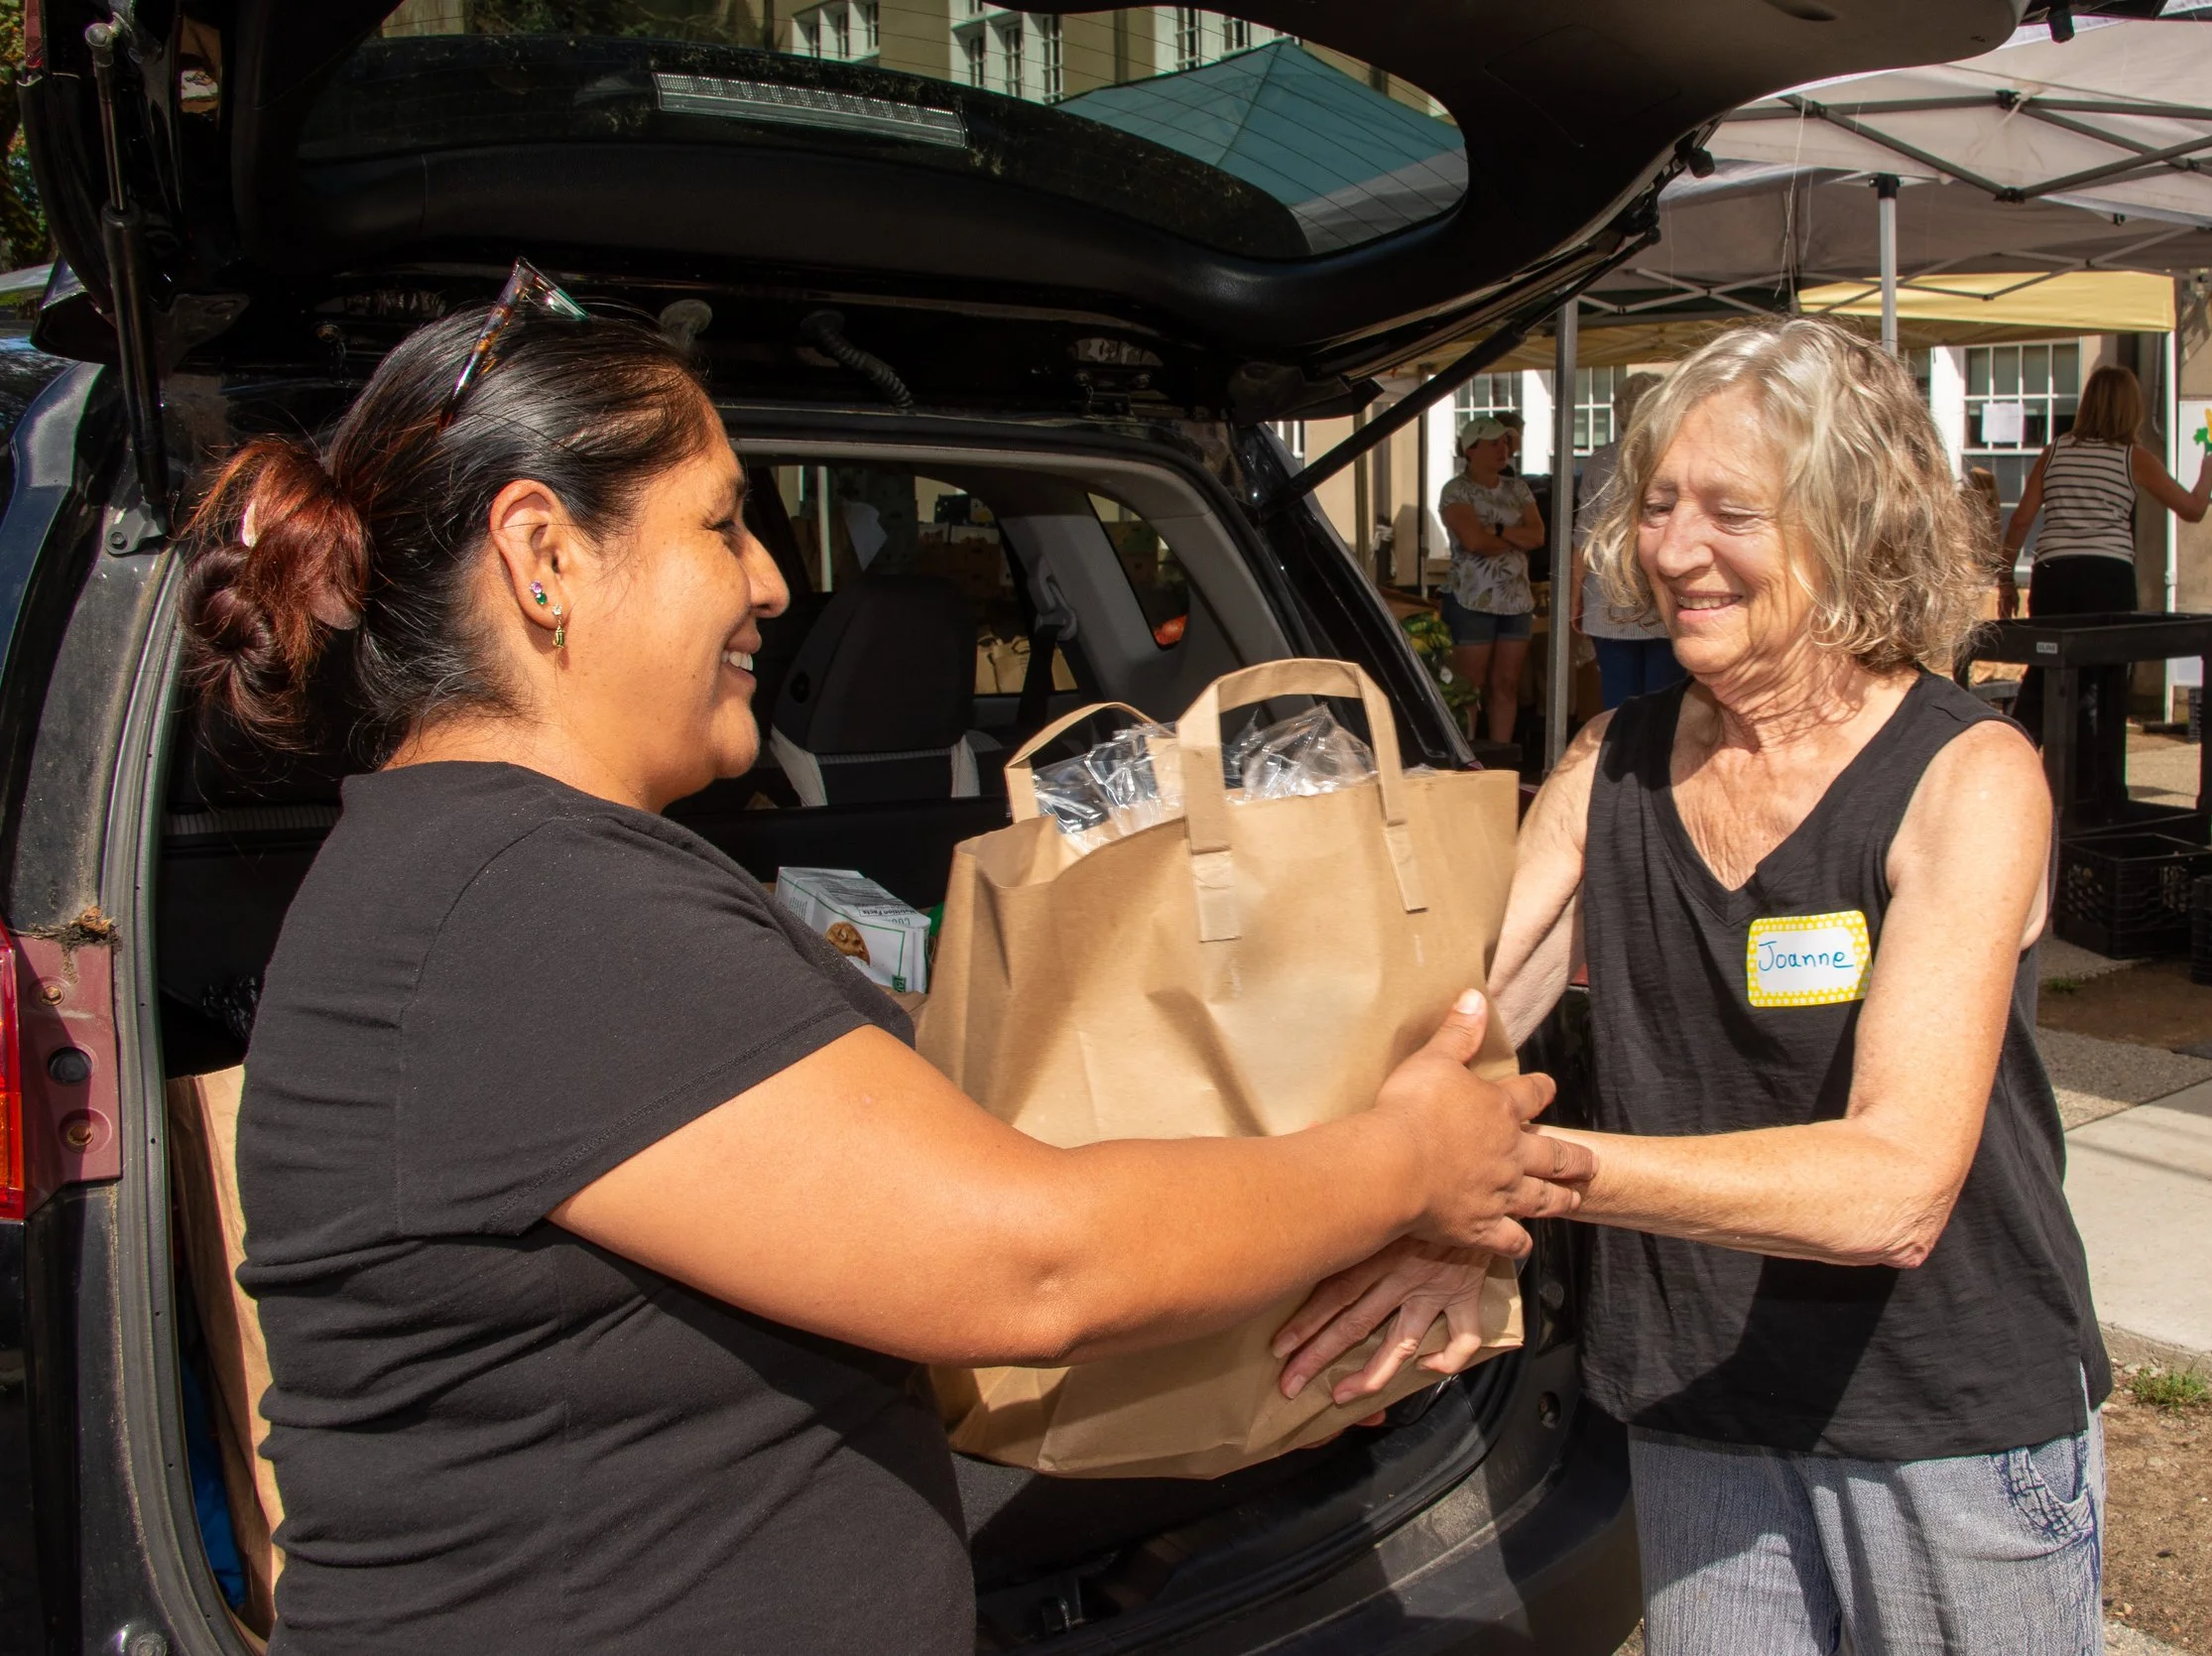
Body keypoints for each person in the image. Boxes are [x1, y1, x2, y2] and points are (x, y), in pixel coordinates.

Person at [184, 273, 1593, 1654]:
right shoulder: (522, 904)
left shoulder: (512, 876)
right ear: (543, 555)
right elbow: (1031, 1265)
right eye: (725, 525)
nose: (772, 582)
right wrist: (1411, 1163)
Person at [1275, 318, 2112, 1654]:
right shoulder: (1612, 760)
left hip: (1943, 1417)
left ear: (1854, 524)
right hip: (1696, 1399)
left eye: (1730, 511)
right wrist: (1393, 1197)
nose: (1670, 551)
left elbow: (1895, 1190)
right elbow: (1460, 1016)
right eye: (1657, 503)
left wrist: (1527, 1176)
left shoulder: (1967, 775)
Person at [2001, 364, 2212, 749]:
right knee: (2103, 683)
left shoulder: (2053, 453)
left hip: (2054, 571)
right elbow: (2191, 509)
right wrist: (2208, 470)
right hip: (2108, 574)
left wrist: (2005, 577)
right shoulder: (2133, 458)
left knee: (2044, 671)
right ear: (2131, 409)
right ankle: (2094, 786)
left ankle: (2010, 762)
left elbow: (2022, 519)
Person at [1573, 371, 1682, 707]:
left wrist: (1574, 596)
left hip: (1609, 597)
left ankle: (1621, 760)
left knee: (1619, 703)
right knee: (1665, 702)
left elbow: (1584, 537)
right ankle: (1656, 761)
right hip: (1663, 592)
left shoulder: (1600, 463)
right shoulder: (1674, 460)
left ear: (1620, 413)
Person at [1437, 415, 1546, 745]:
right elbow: (1474, 542)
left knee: (1507, 683)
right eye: (1493, 442)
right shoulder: (1457, 490)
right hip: (1472, 599)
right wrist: (1516, 538)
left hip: (1515, 600)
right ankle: (1466, 752)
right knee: (1470, 686)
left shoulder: (1518, 488)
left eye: (1505, 442)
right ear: (1470, 449)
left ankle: (1501, 757)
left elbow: (1538, 536)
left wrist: (1497, 530)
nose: (1503, 448)